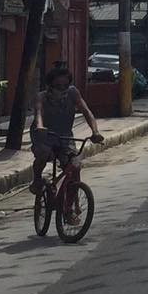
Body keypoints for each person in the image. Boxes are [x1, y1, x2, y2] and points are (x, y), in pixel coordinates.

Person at [30, 62, 102, 195]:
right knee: (44, 153)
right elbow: (38, 114)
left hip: (65, 136)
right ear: (50, 86)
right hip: (44, 135)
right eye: (58, 86)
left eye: (65, 86)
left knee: (74, 165)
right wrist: (40, 127)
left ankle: (70, 203)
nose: (62, 89)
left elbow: (86, 112)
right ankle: (37, 179)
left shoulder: (73, 93)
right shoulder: (42, 97)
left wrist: (95, 132)